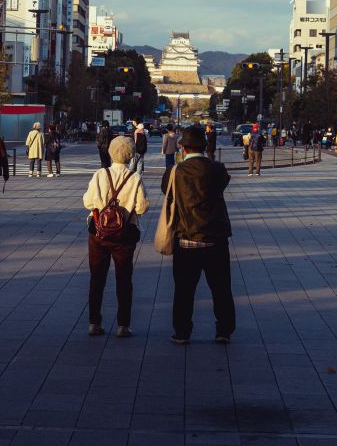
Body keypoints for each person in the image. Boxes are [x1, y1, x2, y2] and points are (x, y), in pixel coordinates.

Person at [165, 124, 235, 344]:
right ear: (204, 147)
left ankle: (182, 331)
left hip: (186, 238)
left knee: (184, 290)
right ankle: (224, 330)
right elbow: (222, 184)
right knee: (221, 288)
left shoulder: (175, 172)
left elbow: (167, 192)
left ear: (183, 148)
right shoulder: (217, 169)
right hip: (216, 238)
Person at [83, 135, 148, 338]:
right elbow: (142, 207)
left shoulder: (100, 174)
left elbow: (88, 202)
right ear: (131, 155)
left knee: (97, 278)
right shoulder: (135, 178)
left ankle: (94, 322)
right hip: (124, 234)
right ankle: (123, 325)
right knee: (124, 279)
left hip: (99, 233)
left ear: (110, 153)